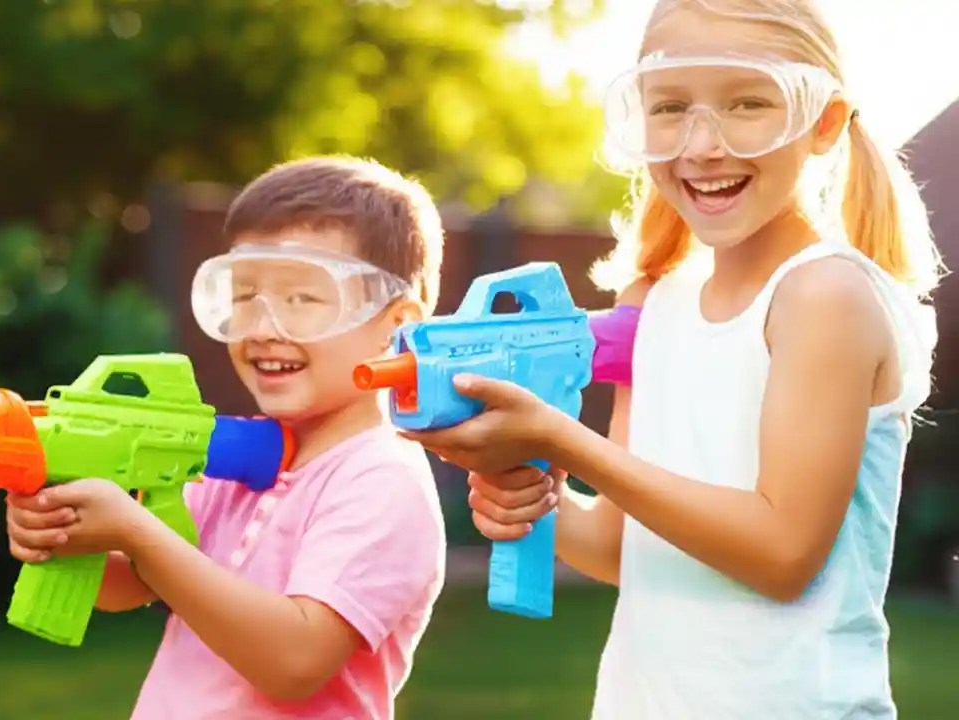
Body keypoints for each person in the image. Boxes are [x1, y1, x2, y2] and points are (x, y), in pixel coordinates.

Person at [401, 1, 944, 718]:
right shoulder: (653, 298)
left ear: (822, 122)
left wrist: (558, 440)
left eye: (748, 104)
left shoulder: (823, 295)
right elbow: (619, 548)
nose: (702, 144)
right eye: (670, 108)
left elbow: (783, 553)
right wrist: (526, 487)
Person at [5, 156, 448, 719]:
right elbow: (131, 585)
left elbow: (294, 662)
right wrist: (64, 529)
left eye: (303, 300)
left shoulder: (382, 480)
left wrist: (137, 532)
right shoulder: (237, 460)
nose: (264, 327)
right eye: (244, 299)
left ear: (396, 322)